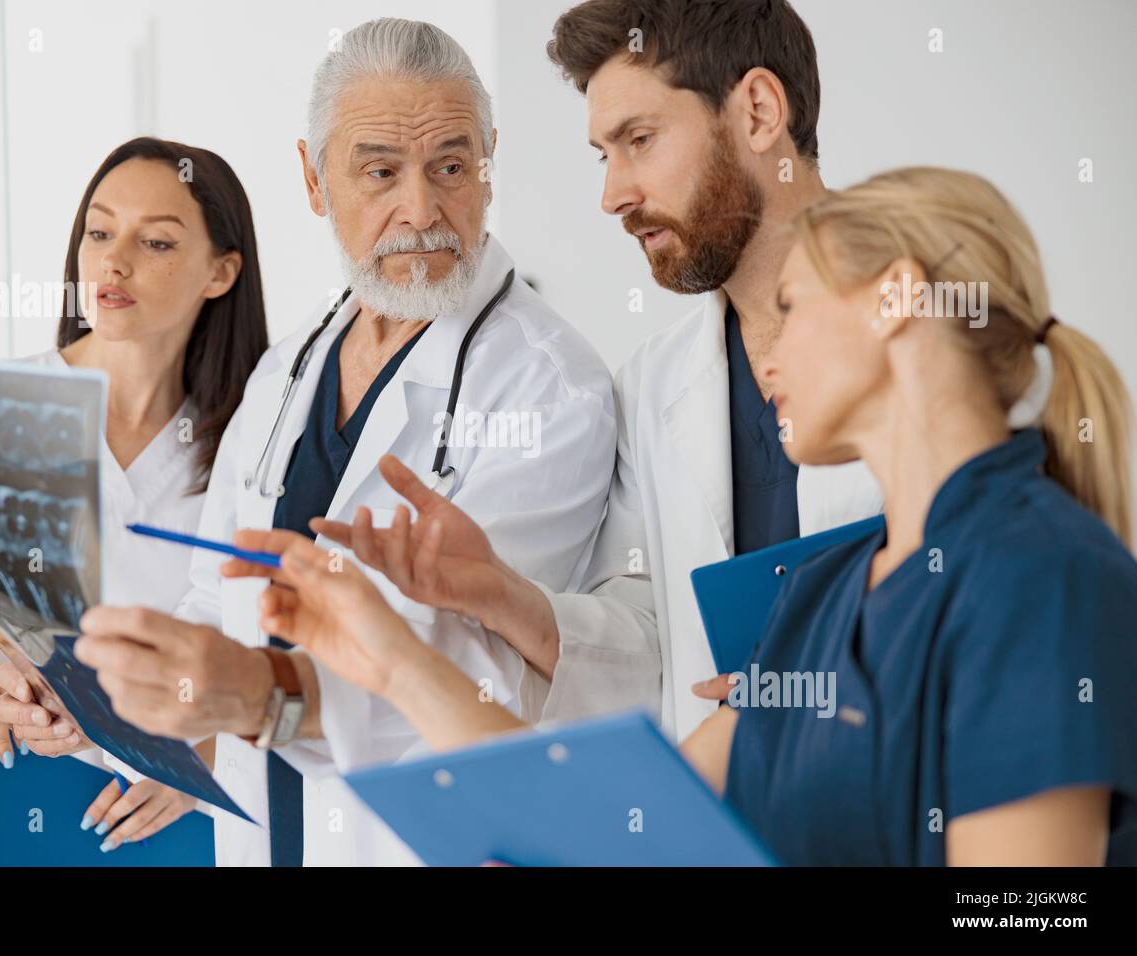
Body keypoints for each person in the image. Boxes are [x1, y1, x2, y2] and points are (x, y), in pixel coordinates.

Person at [219, 166, 1137, 866]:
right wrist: (387, 654)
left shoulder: (1039, 573)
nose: (766, 359)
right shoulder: (821, 596)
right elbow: (608, 817)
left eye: (793, 308)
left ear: (896, 301)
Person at [63, 18, 617, 867]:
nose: (422, 210)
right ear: (315, 181)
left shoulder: (548, 385)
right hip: (261, 831)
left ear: (489, 164)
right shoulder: (289, 367)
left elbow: (479, 676)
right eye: (380, 173)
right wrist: (113, 709)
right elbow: (215, 594)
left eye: (452, 167)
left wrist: (260, 699)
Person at [324, 0, 883, 742]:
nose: (613, 195)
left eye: (640, 140)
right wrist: (502, 595)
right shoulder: (657, 384)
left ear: (757, 112)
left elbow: (1008, 617)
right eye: (603, 154)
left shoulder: (942, 328)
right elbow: (653, 646)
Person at [0, 136, 268, 863]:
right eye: (99, 232)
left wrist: (203, 752)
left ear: (221, 272)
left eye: (155, 241)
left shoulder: (247, 453)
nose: (114, 260)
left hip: (124, 832)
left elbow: (266, 662)